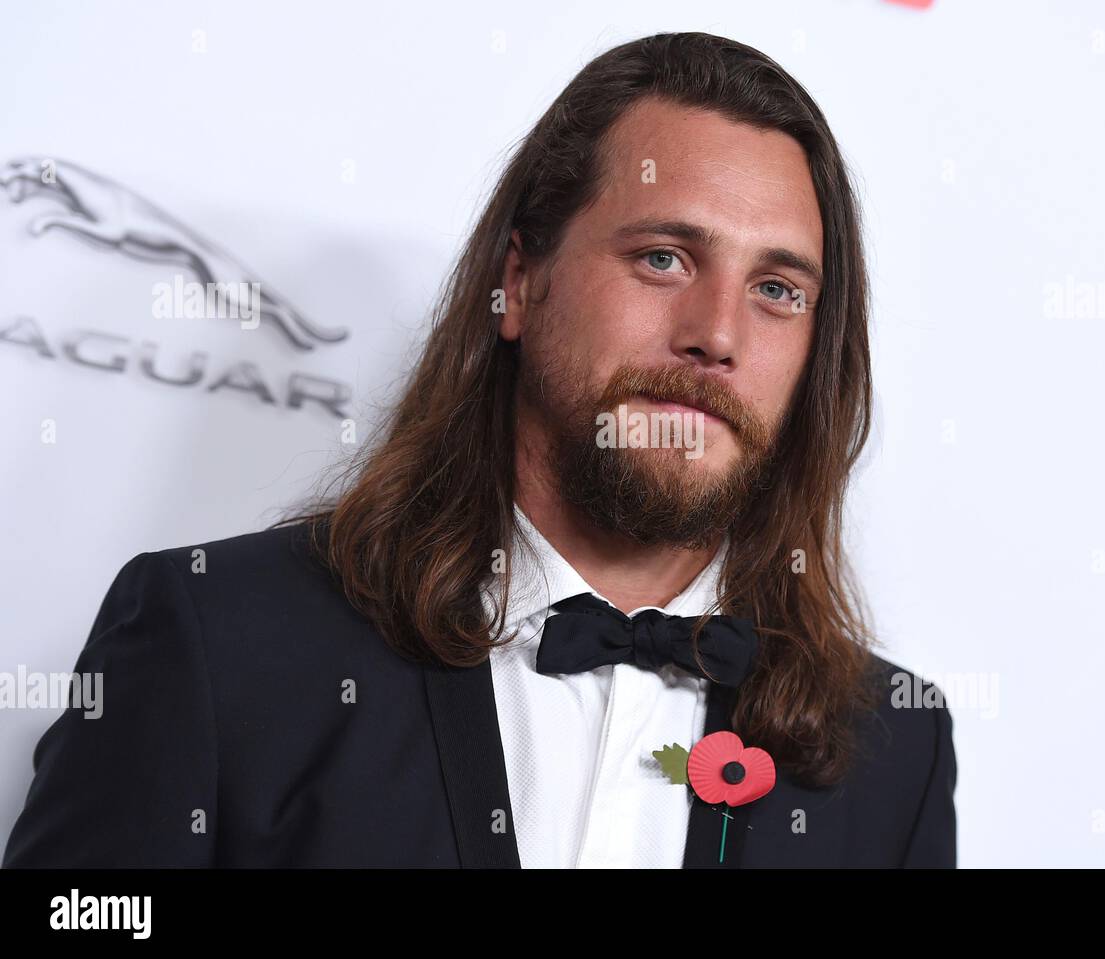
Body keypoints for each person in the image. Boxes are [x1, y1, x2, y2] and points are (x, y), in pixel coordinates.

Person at [3, 31, 956, 869]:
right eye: (664, 257)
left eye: (778, 289)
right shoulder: (218, 645)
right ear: (520, 281)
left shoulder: (891, 752)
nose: (718, 333)